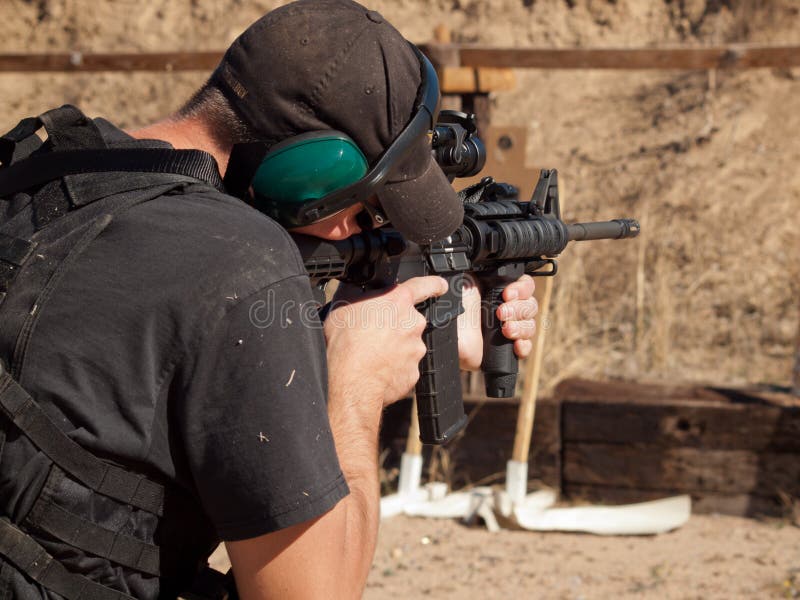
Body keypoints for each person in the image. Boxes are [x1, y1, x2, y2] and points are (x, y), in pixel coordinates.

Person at [0, 1, 537, 598]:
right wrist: (355, 382)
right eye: (363, 208)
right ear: (300, 172)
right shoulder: (240, 259)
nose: (361, 233)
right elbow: (315, 592)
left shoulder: (37, 178)